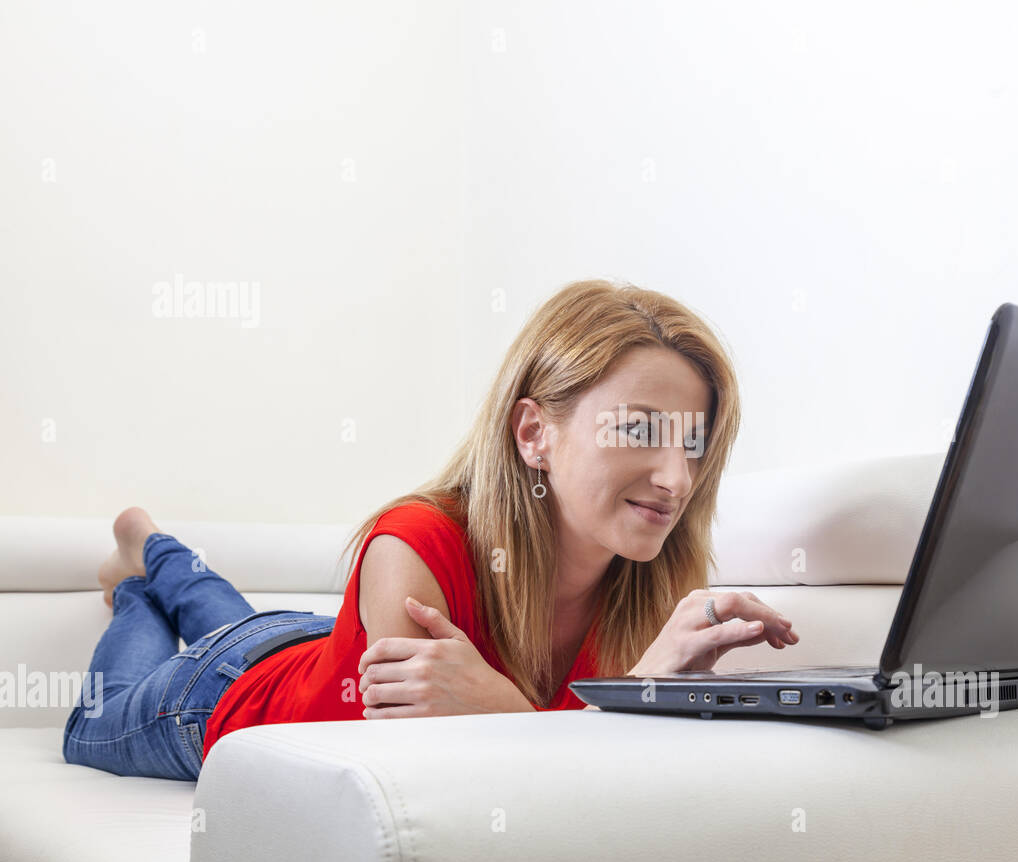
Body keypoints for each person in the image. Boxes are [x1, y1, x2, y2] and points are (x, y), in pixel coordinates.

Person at [64, 278, 801, 781]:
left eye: (692, 442)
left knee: (241, 623)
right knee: (86, 731)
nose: (675, 478)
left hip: (309, 647)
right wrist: (534, 714)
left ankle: (155, 553)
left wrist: (640, 691)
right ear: (534, 432)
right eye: (639, 429)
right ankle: (142, 570)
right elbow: (435, 798)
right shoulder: (411, 547)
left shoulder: (652, 578)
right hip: (218, 697)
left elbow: (578, 779)